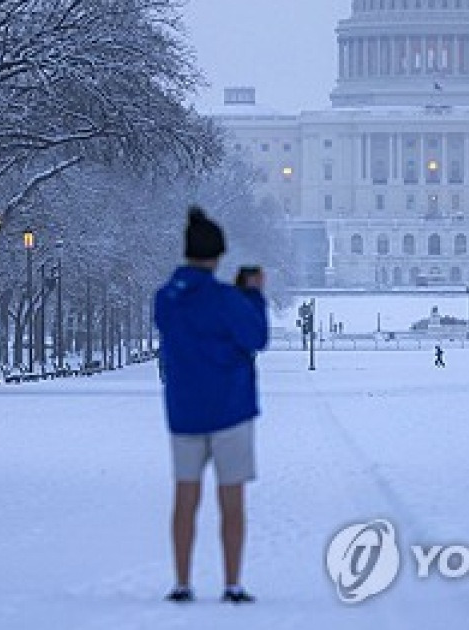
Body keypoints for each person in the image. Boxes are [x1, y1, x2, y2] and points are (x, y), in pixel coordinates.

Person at [154, 207, 268, 605]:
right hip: (230, 408)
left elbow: (174, 321)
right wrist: (252, 295)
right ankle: (232, 583)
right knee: (231, 500)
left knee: (185, 497)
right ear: (218, 255)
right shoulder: (227, 300)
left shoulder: (166, 299)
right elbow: (256, 338)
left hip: (184, 409)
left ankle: (182, 582)